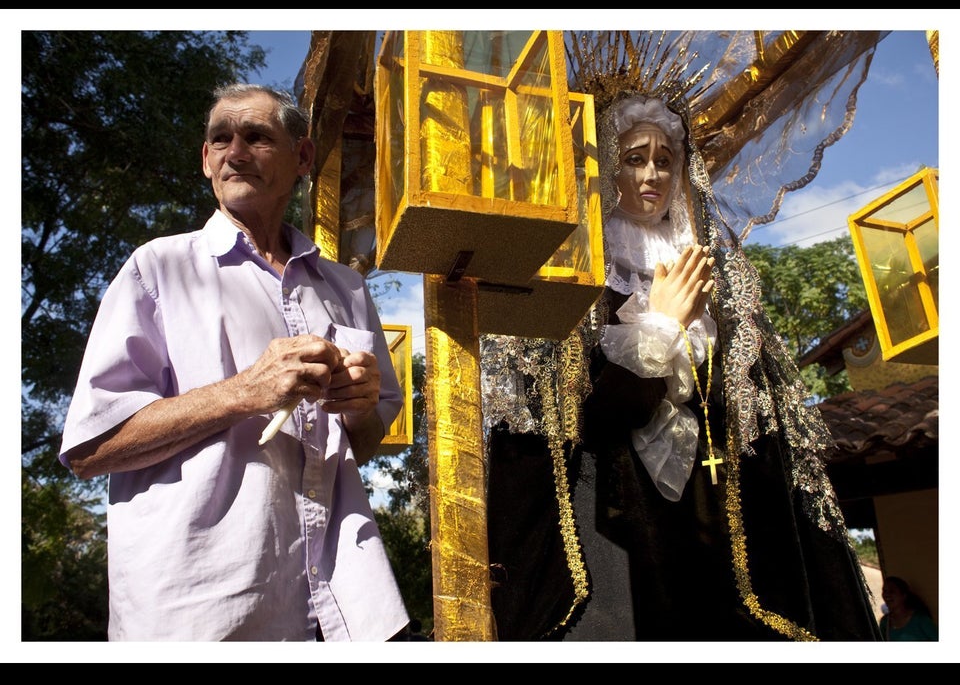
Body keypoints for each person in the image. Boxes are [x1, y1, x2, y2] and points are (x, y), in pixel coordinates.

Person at [482, 88, 881, 641]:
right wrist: (660, 329)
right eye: (634, 158)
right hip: (610, 528)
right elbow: (576, 426)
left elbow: (747, 418)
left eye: (664, 161)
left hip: (712, 522)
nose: (651, 175)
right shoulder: (573, 278)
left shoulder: (711, 276)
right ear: (603, 169)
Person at [59, 83, 410, 641]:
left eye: (256, 136)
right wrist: (247, 390)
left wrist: (361, 410)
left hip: (341, 607)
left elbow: (359, 447)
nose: (235, 152)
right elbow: (90, 449)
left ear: (303, 157)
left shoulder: (346, 289)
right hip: (201, 610)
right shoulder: (157, 269)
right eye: (220, 139)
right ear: (205, 160)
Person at [879, 576, 938, 641]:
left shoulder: (921, 620)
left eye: (892, 591)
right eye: (884, 591)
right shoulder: (885, 623)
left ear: (904, 595)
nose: (886, 594)